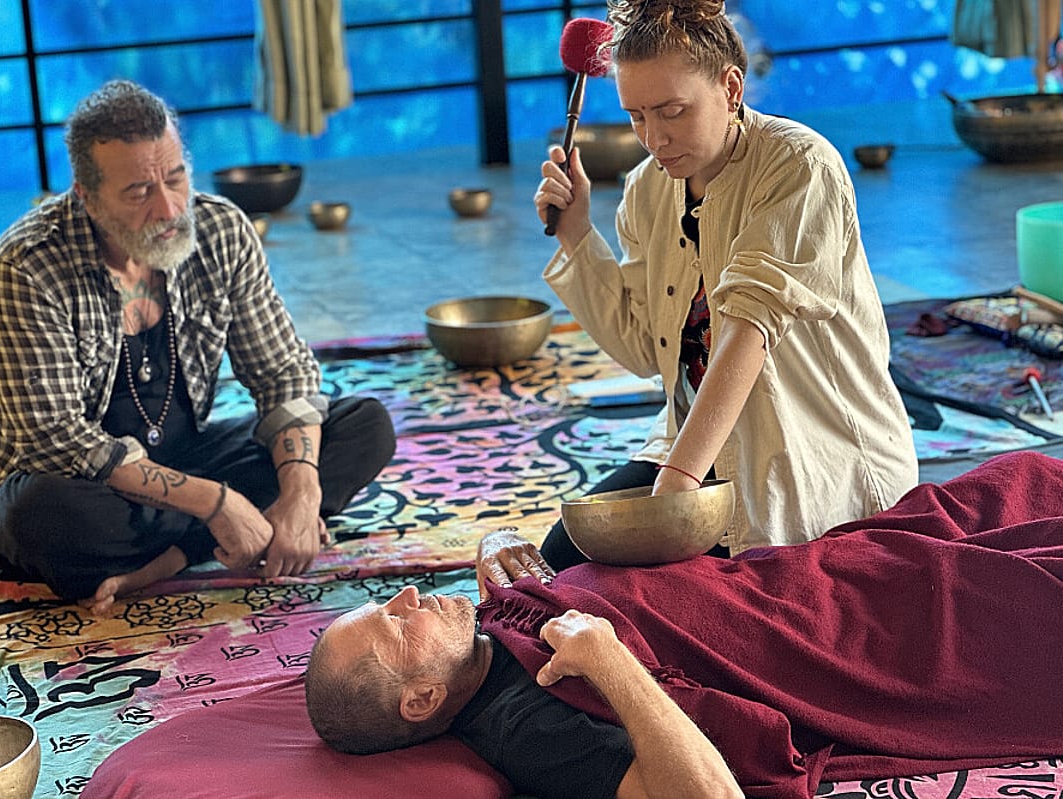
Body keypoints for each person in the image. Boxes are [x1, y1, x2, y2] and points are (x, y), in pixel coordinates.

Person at [305, 450, 1063, 799]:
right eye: (394, 624)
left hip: (788, 577)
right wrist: (611, 663)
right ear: (419, 702)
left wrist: (496, 543)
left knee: (1010, 484)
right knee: (1012, 596)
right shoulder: (528, 727)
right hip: (844, 638)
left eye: (390, 600)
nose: (408, 596)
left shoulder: (488, 628)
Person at [0, 80, 396, 614]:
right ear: (86, 197)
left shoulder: (221, 228)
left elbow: (283, 375)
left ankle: (178, 553)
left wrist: (300, 494)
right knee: (48, 516)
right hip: (74, 484)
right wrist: (216, 500)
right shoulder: (26, 266)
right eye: (138, 192)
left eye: (176, 177)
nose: (168, 208)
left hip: (177, 461)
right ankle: (230, 526)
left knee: (362, 425)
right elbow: (58, 443)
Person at [532, 0, 918, 569]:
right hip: (692, 448)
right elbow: (645, 350)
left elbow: (746, 336)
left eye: (673, 111)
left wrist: (679, 482)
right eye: (637, 116)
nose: (654, 138)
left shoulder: (799, 165)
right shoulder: (646, 190)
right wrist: (577, 236)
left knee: (677, 593)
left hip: (805, 455)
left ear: (731, 86)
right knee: (564, 557)